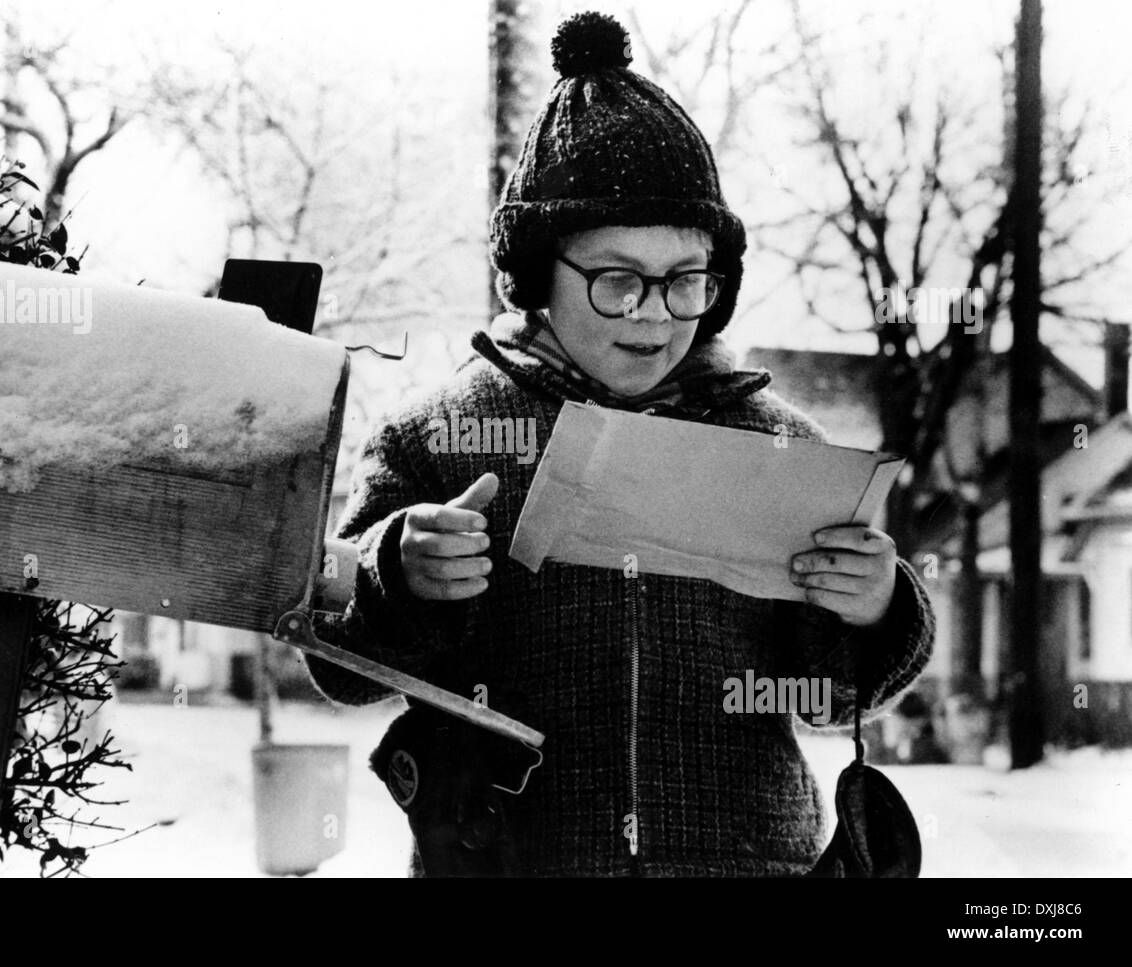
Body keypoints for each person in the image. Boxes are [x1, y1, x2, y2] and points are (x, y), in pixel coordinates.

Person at [306, 10, 934, 877]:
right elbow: (341, 667)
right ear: (534, 273)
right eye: (616, 280)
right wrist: (396, 576)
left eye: (685, 281)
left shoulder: (782, 446)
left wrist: (873, 605)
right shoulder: (436, 440)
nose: (652, 313)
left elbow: (834, 701)